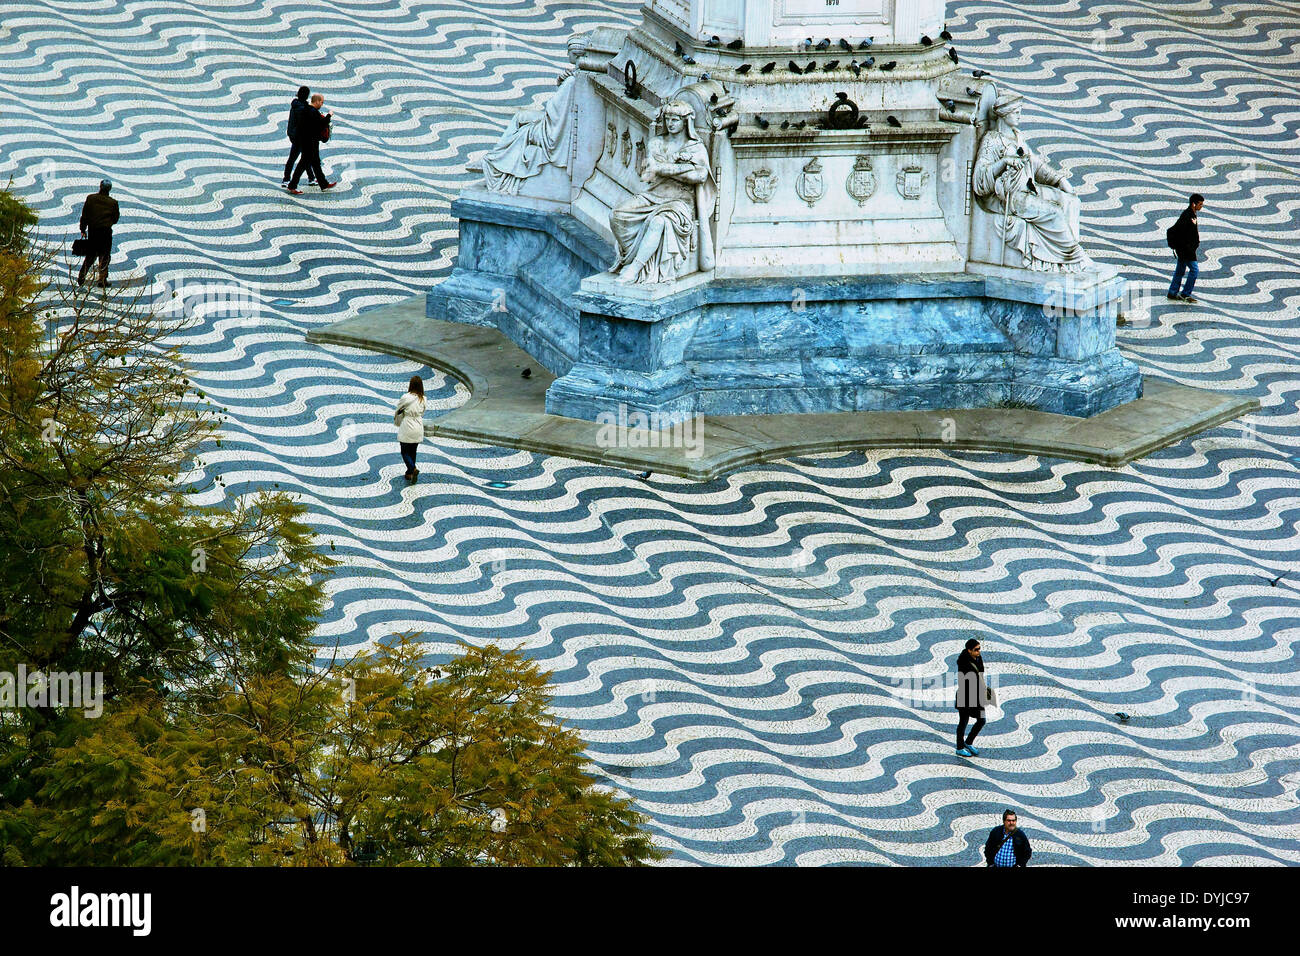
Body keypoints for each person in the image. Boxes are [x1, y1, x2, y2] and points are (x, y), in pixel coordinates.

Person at [973, 89, 1091, 273]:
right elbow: (980, 181)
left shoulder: (1017, 135)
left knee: (1070, 201)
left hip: (1028, 188)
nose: (1020, 116)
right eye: (1016, 112)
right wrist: (1003, 162)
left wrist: (1059, 180)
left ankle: (1060, 260)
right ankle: (1073, 257)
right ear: (1004, 115)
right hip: (1008, 197)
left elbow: (1035, 164)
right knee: (1054, 212)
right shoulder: (992, 141)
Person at [609, 100, 716, 284]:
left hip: (681, 201)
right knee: (616, 215)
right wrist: (681, 168)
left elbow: (699, 176)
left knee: (659, 222)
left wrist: (663, 168)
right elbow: (650, 172)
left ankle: (635, 269)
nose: (670, 124)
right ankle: (634, 256)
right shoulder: (656, 142)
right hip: (653, 194)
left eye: (675, 119)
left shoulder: (695, 147)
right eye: (668, 119)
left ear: (685, 122)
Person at [286, 93, 336, 194]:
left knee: (316, 163)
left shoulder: (307, 110)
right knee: (303, 164)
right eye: (321, 102)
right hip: (310, 142)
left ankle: (323, 184)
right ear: (316, 101)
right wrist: (329, 115)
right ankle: (292, 186)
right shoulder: (312, 111)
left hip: (309, 141)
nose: (322, 104)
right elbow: (321, 125)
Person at [77, 180, 120, 288]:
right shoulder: (113, 203)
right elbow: (115, 219)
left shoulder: (91, 198)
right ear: (109, 189)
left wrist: (83, 229)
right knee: (104, 256)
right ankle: (102, 279)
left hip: (93, 231)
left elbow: (85, 215)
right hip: (105, 232)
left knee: (91, 255)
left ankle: (82, 276)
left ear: (100, 186)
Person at [954, 637, 993, 757]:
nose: (979, 652)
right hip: (966, 697)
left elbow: (981, 672)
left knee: (982, 720)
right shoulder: (963, 662)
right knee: (963, 722)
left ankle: (968, 742)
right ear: (969, 650)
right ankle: (960, 747)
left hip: (977, 696)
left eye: (979, 649)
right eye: (976, 650)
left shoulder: (978, 658)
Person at [1166, 194, 1204, 303]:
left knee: (1180, 270)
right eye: (1200, 204)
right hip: (1186, 250)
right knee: (1194, 270)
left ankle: (1172, 292)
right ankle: (1186, 293)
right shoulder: (1187, 215)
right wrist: (1184, 247)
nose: (1201, 206)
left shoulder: (1192, 214)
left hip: (1187, 249)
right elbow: (1176, 230)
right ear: (1194, 203)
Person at [282, 86, 317, 188]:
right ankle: (286, 179)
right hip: (299, 136)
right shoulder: (301, 108)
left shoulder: (297, 105)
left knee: (303, 157)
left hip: (295, 135)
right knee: (297, 157)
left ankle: (311, 178)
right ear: (306, 96)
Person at [394, 376, 426, 483]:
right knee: (413, 451)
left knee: (404, 451)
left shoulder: (405, 397)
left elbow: (398, 409)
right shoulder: (424, 399)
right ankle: (409, 473)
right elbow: (423, 412)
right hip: (418, 425)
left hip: (407, 425)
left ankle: (413, 468)